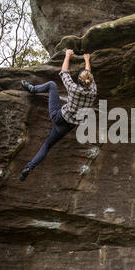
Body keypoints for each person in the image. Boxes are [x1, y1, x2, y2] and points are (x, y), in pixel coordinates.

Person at [19, 50, 97, 181]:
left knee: (51, 84)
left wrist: (67, 55)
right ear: (91, 81)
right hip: (69, 126)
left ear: (79, 80)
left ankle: (32, 89)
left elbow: (64, 72)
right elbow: (89, 76)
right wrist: (87, 60)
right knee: (47, 145)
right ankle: (29, 167)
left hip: (58, 116)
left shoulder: (74, 88)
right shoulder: (94, 91)